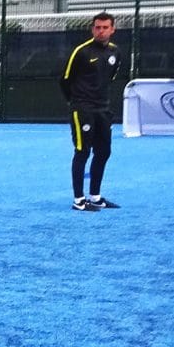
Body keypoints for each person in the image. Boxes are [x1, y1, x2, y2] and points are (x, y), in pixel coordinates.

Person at [61, 12, 122, 211]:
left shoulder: (115, 52)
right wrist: (77, 102)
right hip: (83, 109)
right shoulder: (82, 52)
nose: (101, 31)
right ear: (92, 28)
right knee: (82, 151)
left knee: (104, 152)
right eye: (97, 27)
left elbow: (110, 78)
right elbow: (65, 80)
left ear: (112, 29)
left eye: (105, 27)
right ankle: (79, 200)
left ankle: (95, 196)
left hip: (103, 109)